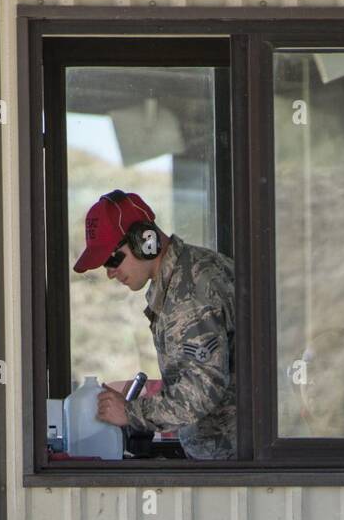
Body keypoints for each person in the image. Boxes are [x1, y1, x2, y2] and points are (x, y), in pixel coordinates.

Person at [73, 190, 235, 461]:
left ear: (145, 240)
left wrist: (131, 413)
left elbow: (201, 389)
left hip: (233, 462)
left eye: (113, 259)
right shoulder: (179, 280)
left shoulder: (190, 290)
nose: (110, 273)